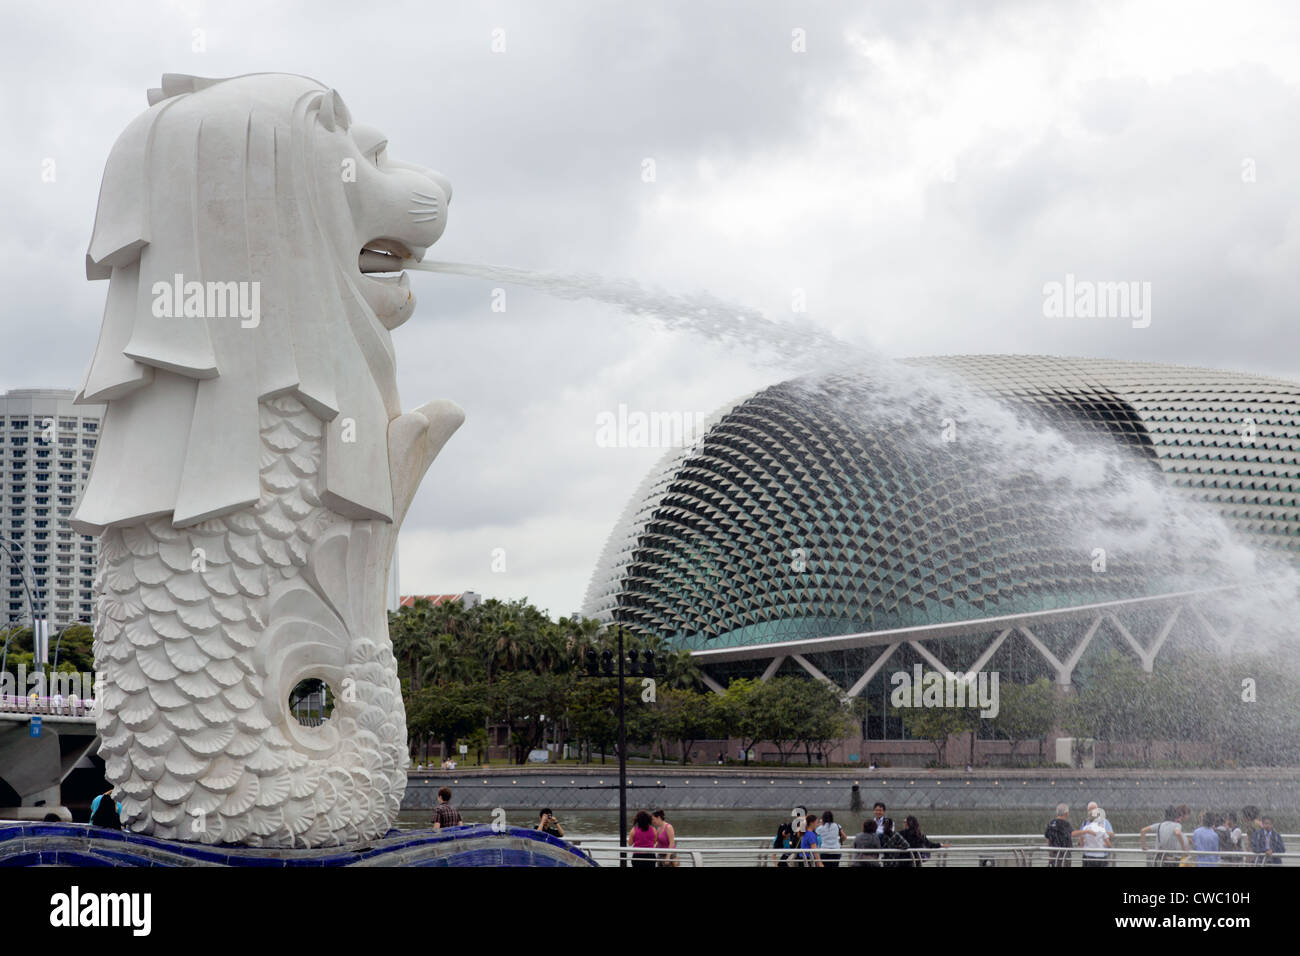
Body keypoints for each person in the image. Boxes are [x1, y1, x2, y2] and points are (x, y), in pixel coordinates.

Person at [1044, 803, 1074, 867]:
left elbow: (1047, 838)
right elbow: (1072, 833)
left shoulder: (1051, 823)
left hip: (1053, 853)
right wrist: (1086, 831)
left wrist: (1050, 852)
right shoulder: (1065, 824)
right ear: (1066, 813)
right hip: (1064, 854)